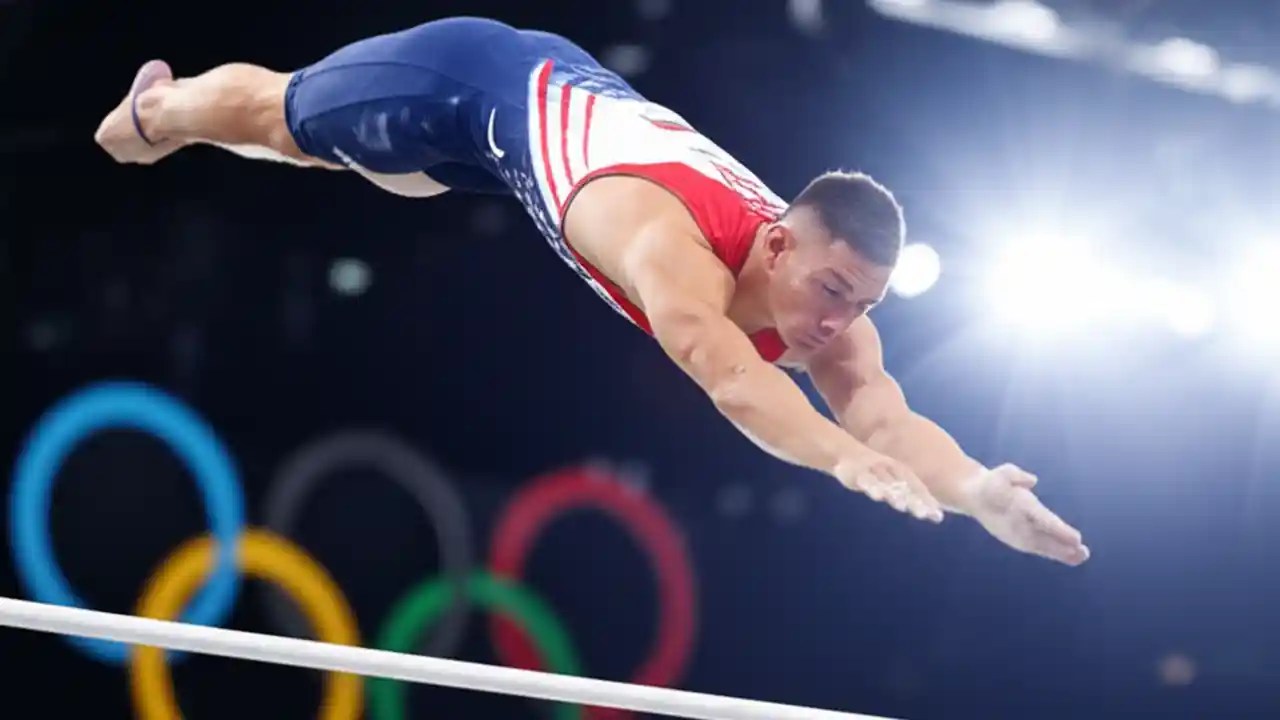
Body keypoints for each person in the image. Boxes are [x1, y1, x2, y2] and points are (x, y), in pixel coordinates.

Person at [94, 16, 1089, 566]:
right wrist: (839, 462)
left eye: (861, 307)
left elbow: (882, 415)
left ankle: (191, 114)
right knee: (286, 126)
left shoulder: (827, 304)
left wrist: (974, 490)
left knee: (342, 164)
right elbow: (737, 387)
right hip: (471, 82)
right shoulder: (670, 250)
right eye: (831, 290)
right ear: (776, 243)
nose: (836, 322)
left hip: (558, 120)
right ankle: (155, 108)